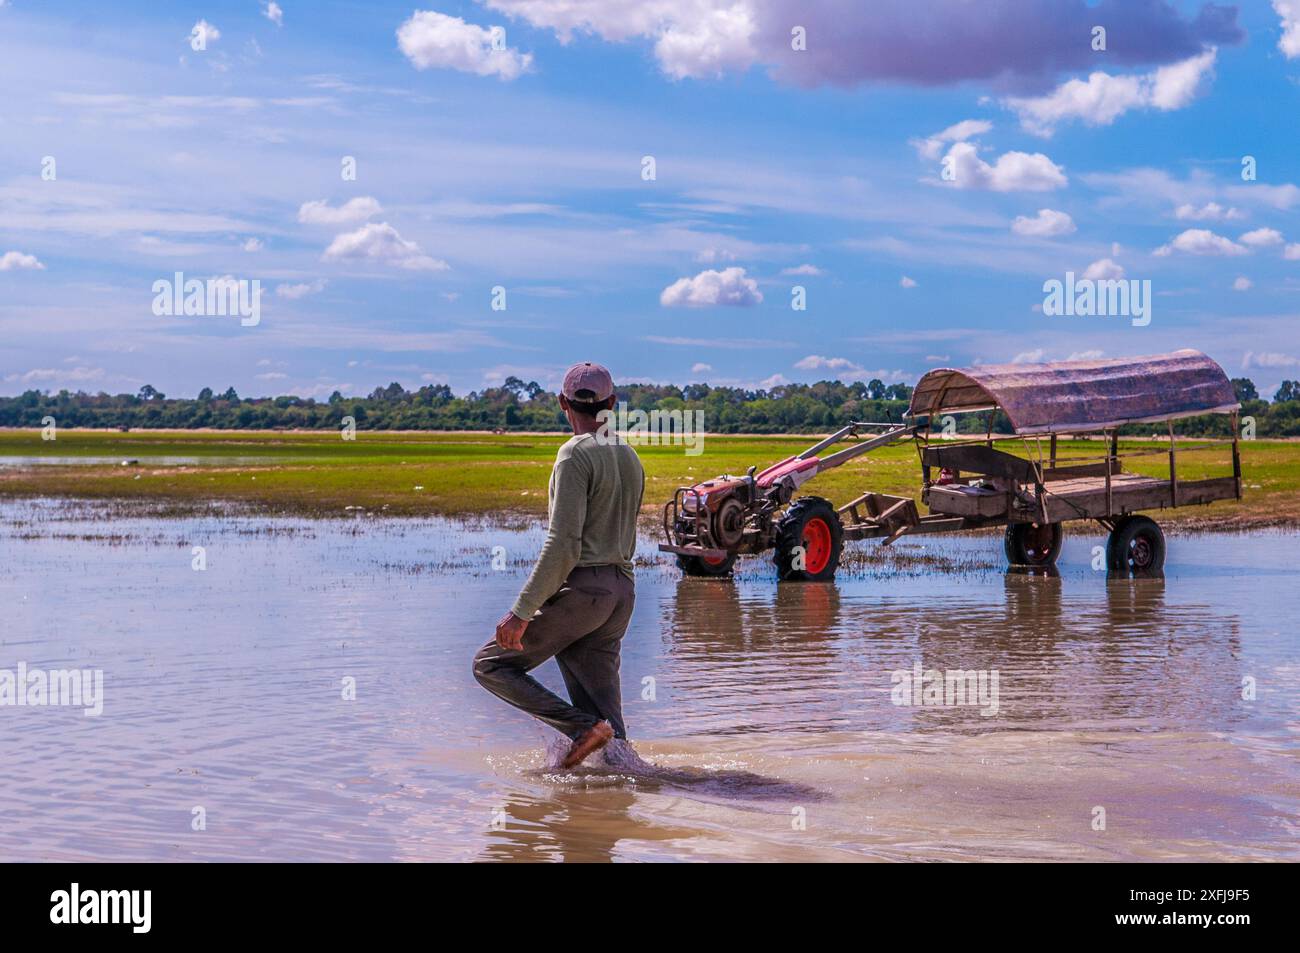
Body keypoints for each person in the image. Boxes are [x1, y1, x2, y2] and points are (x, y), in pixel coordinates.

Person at [472, 362, 645, 768]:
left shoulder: (574, 454)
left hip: (585, 592)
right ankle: (618, 801)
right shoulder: (628, 454)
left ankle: (581, 730)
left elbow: (563, 543)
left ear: (562, 402)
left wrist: (521, 612)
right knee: (614, 743)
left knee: (491, 665)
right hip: (620, 594)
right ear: (612, 404)